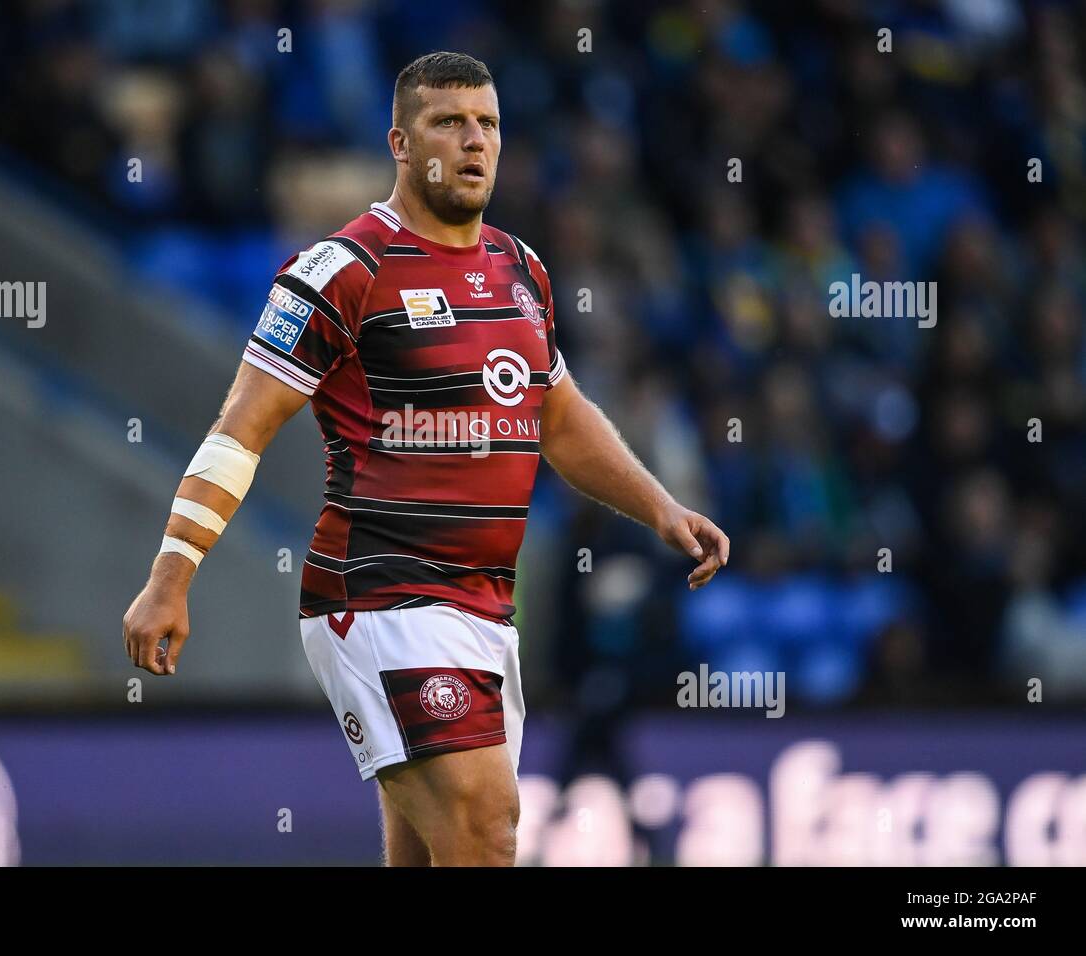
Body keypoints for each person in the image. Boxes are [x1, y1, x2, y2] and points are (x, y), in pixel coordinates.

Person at [123, 52, 729, 867]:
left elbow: (557, 415)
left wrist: (661, 507)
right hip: (380, 599)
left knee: (435, 851)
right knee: (488, 827)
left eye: (488, 124)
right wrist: (172, 574)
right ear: (401, 144)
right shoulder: (341, 271)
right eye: (449, 123)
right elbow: (241, 428)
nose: (474, 141)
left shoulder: (521, 270)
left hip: (483, 614)